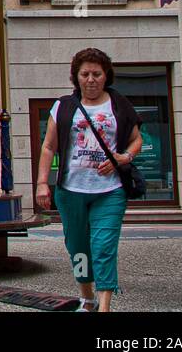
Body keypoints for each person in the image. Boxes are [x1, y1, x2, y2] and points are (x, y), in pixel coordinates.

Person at [35, 48, 143, 312]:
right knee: (77, 246)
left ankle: (104, 305)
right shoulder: (63, 106)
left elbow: (136, 139)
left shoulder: (119, 105)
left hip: (110, 190)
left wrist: (123, 158)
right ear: (77, 77)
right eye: (85, 74)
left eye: (97, 73)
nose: (91, 79)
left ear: (106, 76)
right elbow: (49, 146)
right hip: (71, 190)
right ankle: (87, 297)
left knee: (104, 246)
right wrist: (41, 183)